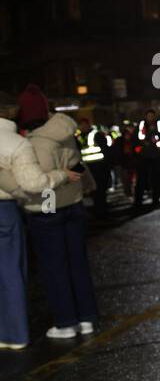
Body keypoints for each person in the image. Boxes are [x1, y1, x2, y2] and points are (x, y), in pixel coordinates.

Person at [21, 112, 99, 339]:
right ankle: (86, 318)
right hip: (73, 204)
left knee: (55, 268)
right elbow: (78, 167)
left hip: (49, 206)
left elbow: (42, 183)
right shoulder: (67, 137)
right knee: (77, 264)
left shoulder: (36, 143)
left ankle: (66, 323)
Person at [0, 114, 71, 350]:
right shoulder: (18, 143)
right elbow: (34, 185)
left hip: (44, 207)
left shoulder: (31, 141)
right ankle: (14, 334)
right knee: (12, 270)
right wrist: (62, 176)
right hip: (24, 207)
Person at [77, 118, 112, 217]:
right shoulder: (80, 137)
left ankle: (102, 211)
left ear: (88, 125)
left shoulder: (96, 135)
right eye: (81, 125)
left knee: (100, 191)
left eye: (84, 125)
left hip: (100, 168)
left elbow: (106, 151)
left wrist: (107, 166)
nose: (82, 127)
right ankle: (99, 210)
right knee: (94, 192)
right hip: (89, 169)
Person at [132, 110, 160, 208]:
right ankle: (138, 201)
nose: (150, 118)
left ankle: (156, 200)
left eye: (152, 116)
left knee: (156, 179)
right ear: (146, 116)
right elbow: (135, 140)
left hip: (157, 156)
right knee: (141, 180)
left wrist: (157, 141)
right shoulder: (140, 126)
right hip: (144, 157)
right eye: (149, 116)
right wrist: (140, 148)